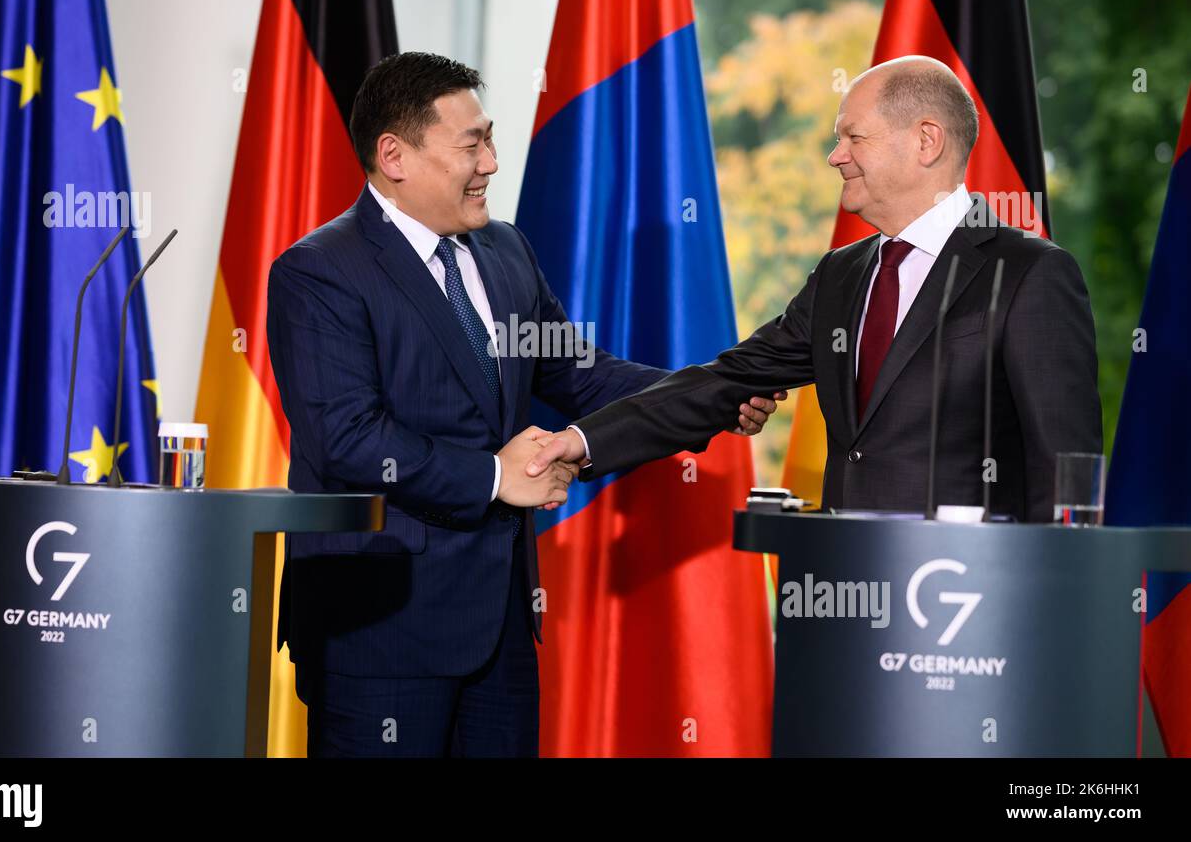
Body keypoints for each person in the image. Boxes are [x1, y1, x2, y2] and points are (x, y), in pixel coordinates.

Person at [265, 52, 778, 757]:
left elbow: (580, 375)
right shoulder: (318, 271)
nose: (493, 162)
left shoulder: (504, 250)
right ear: (394, 156)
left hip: (500, 626)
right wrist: (495, 477)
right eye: (471, 143)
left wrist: (714, 396)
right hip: (377, 631)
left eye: (491, 137)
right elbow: (347, 440)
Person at [529, 55, 1102, 524]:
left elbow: (1066, 472)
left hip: (975, 620)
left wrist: (1050, 615)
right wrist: (581, 442)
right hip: (843, 601)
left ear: (927, 141)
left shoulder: (1029, 273)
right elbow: (728, 379)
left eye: (853, 136)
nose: (835, 156)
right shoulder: (840, 275)